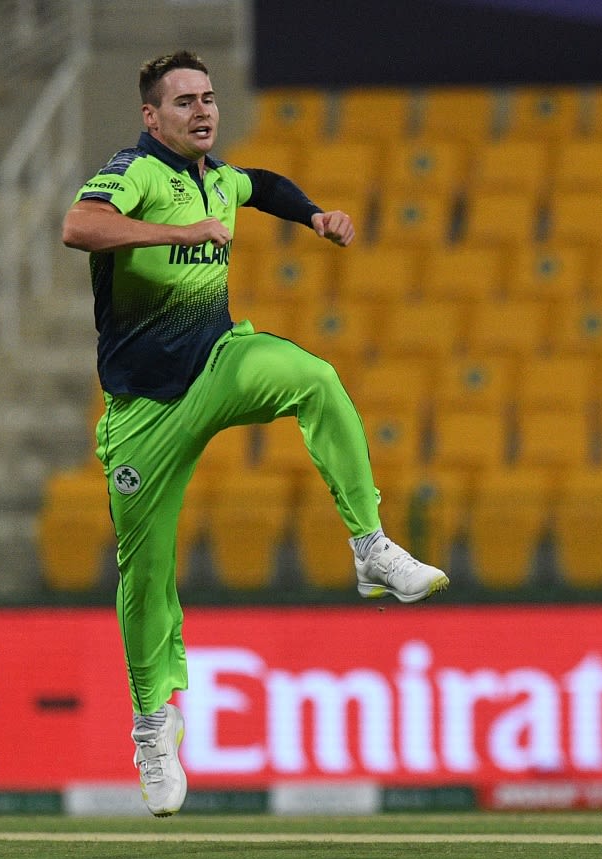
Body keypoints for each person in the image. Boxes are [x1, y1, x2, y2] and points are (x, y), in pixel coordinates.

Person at [61, 51, 448, 818]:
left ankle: (370, 546)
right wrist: (167, 235)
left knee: (318, 380)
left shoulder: (217, 177)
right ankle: (151, 722)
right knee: (145, 574)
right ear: (151, 117)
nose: (202, 111)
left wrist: (313, 216)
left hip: (219, 361)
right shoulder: (134, 172)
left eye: (208, 98)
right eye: (183, 102)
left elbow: (260, 185)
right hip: (144, 410)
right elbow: (79, 225)